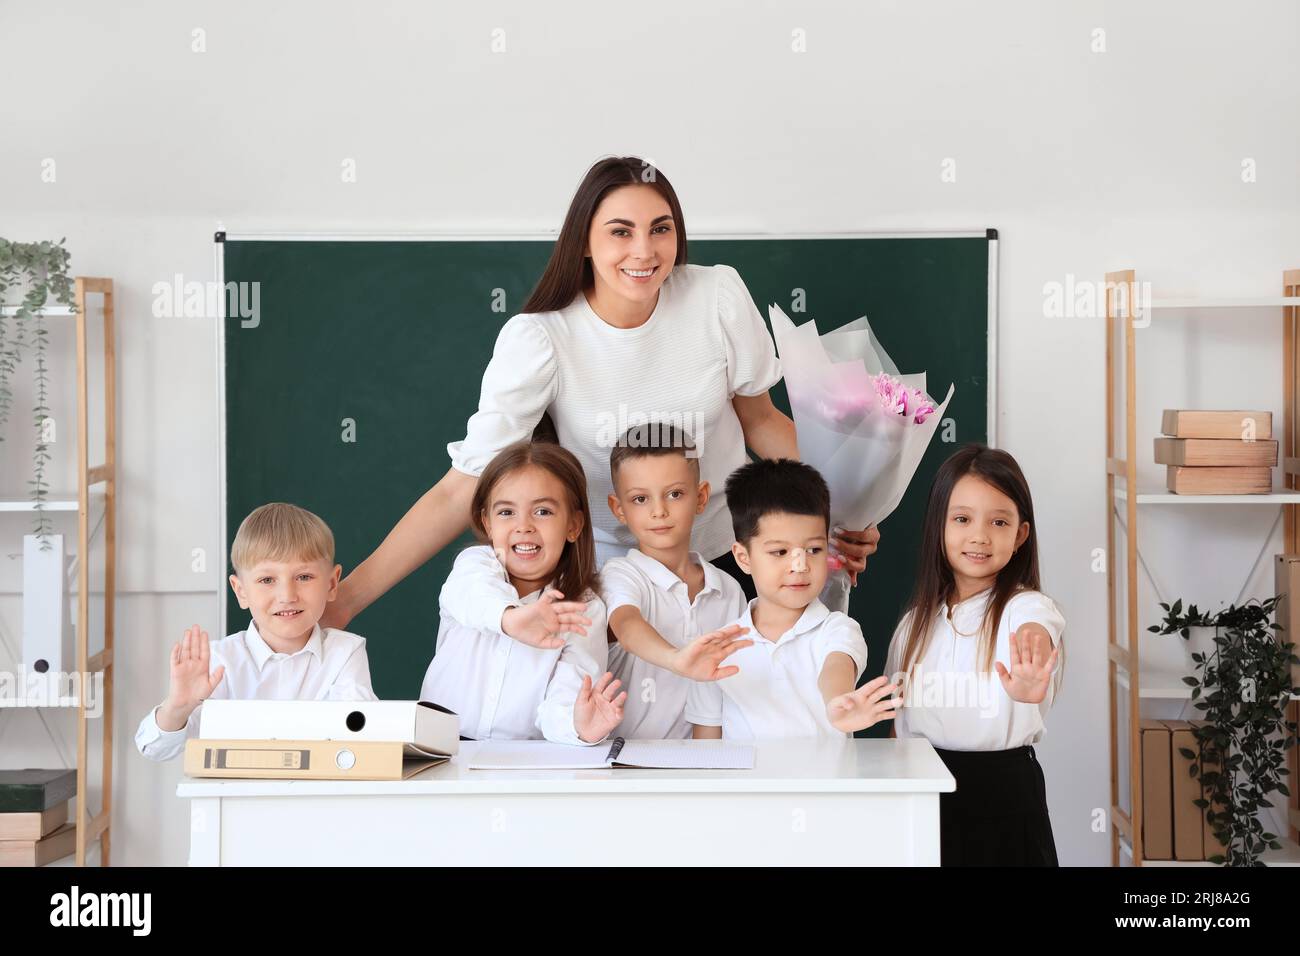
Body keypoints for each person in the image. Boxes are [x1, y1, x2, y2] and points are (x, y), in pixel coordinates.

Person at [320, 155, 878, 634]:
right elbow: (458, 490)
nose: (644, 250)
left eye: (661, 228)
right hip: (612, 582)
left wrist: (852, 505)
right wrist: (346, 601)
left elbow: (763, 424)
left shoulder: (717, 296)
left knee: (725, 733)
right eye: (620, 231)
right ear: (583, 242)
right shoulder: (541, 339)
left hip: (726, 563)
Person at [885, 444, 1065, 866]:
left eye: (999, 522)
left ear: (1020, 535)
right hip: (923, 788)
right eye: (962, 519)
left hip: (1004, 795)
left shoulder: (1025, 607)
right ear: (939, 526)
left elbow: (1037, 626)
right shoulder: (913, 625)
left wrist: (1033, 660)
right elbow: (898, 724)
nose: (980, 536)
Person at [419, 440, 625, 745]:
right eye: (506, 512)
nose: (523, 526)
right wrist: (512, 620)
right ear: (487, 523)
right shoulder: (474, 567)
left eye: (542, 511)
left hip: (521, 762)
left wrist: (578, 725)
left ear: (573, 525)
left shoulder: (583, 609)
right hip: (438, 749)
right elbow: (473, 597)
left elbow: (564, 700)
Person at [134, 503, 375, 761]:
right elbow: (153, 750)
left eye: (304, 577)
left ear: (331, 583)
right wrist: (179, 706)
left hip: (318, 799)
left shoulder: (345, 653)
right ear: (241, 591)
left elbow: (363, 739)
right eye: (267, 580)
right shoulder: (219, 662)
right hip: (235, 800)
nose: (287, 596)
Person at [686, 459, 898, 741]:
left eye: (813, 549)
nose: (800, 565)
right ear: (743, 557)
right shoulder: (719, 647)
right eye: (780, 552)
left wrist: (839, 703)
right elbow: (707, 745)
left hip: (822, 785)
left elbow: (836, 668)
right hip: (745, 786)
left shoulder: (837, 629)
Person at [601, 424, 753, 739]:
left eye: (674, 494)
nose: (659, 511)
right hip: (625, 765)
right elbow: (626, 625)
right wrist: (676, 660)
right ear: (619, 509)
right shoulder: (621, 574)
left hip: (704, 765)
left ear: (700, 498)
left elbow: (734, 685)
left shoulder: (729, 590)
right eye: (640, 499)